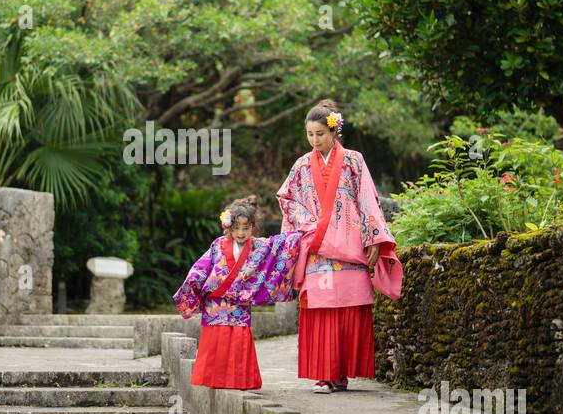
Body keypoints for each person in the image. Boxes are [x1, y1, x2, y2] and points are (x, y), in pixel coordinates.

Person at [275, 99, 403, 393]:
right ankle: (324, 373)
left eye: (320, 133)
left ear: (333, 131)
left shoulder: (354, 160)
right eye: (310, 134)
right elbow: (286, 198)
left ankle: (340, 374)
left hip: (349, 245)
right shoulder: (301, 165)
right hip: (318, 247)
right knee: (321, 310)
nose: (315, 140)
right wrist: (310, 224)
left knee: (348, 309)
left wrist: (373, 238)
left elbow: (368, 199)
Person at [172, 195, 303, 390]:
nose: (241, 233)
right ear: (229, 227)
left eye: (246, 228)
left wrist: (300, 234)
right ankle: (213, 380)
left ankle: (240, 381)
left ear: (253, 227)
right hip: (215, 301)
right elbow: (202, 267)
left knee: (238, 341)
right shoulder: (218, 245)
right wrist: (192, 284)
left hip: (240, 302)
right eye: (236, 228)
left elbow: (280, 246)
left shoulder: (260, 246)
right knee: (216, 341)